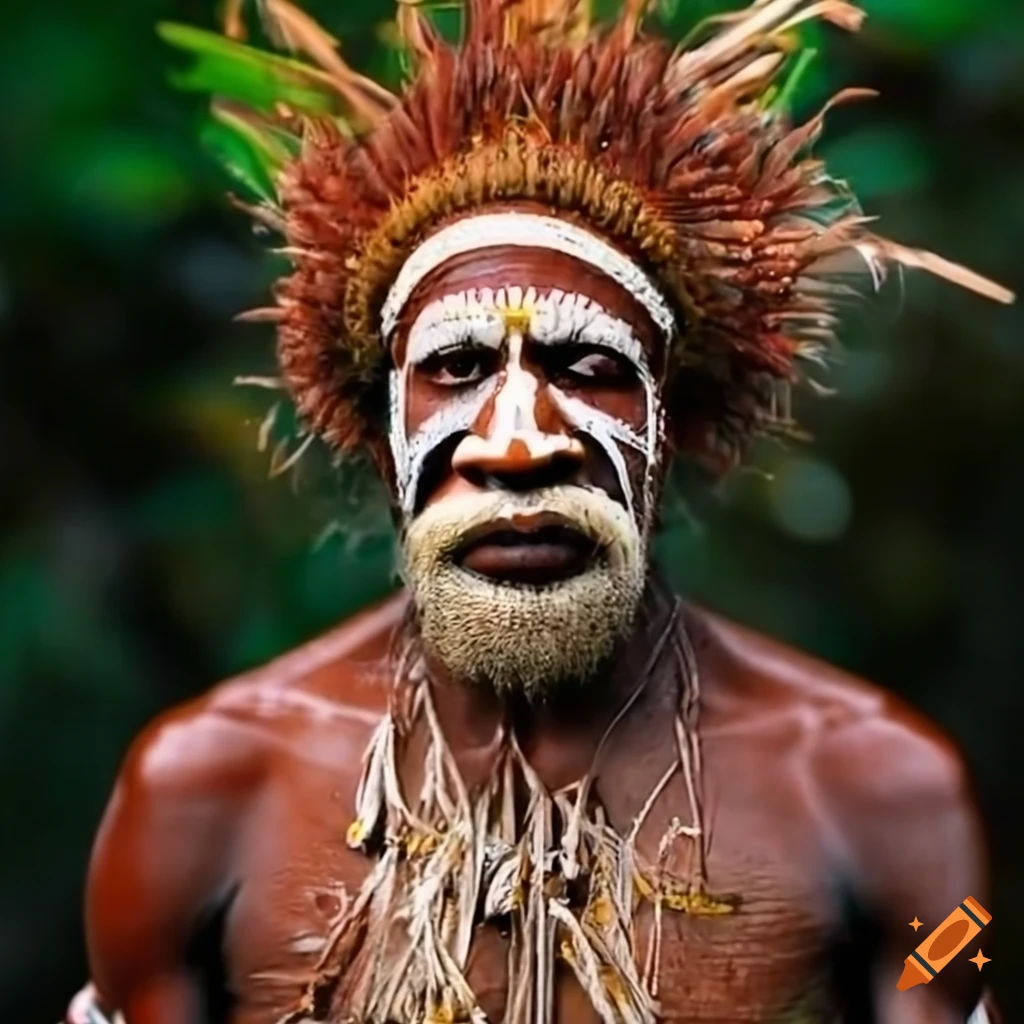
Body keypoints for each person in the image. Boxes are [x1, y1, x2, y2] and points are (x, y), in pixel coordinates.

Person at [66, 0, 1013, 1021]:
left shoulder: (879, 793)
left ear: (672, 424)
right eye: (457, 367)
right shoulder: (207, 789)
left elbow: (943, 964)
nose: (518, 444)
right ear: (385, 436)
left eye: (589, 366)